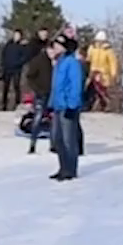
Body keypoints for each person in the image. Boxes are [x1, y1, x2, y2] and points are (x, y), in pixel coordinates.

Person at [48, 36, 86, 181]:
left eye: (57, 45)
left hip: (68, 106)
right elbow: (56, 86)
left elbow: (75, 85)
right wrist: (51, 104)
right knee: (57, 139)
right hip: (58, 105)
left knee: (68, 139)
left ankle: (70, 169)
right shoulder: (59, 62)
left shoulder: (72, 63)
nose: (55, 47)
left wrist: (72, 105)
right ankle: (63, 167)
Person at [22, 31, 55, 154]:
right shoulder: (38, 60)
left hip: (52, 94)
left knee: (53, 120)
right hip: (41, 93)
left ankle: (53, 144)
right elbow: (30, 77)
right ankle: (32, 143)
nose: (53, 54)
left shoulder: (56, 62)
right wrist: (37, 90)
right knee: (37, 118)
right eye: (51, 51)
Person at [87, 32, 120, 109]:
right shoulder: (92, 48)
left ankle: (106, 104)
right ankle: (92, 104)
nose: (99, 42)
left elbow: (113, 62)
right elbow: (88, 59)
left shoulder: (108, 50)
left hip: (104, 74)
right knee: (93, 89)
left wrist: (113, 74)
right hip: (93, 72)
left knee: (103, 90)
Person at [0, 29, 30, 111]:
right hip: (7, 68)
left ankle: (17, 103)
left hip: (17, 69)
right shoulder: (8, 44)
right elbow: (3, 54)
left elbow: (25, 57)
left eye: (18, 35)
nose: (16, 37)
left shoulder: (22, 46)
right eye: (15, 35)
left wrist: (19, 63)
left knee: (16, 86)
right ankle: (4, 104)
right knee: (6, 87)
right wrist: (3, 65)